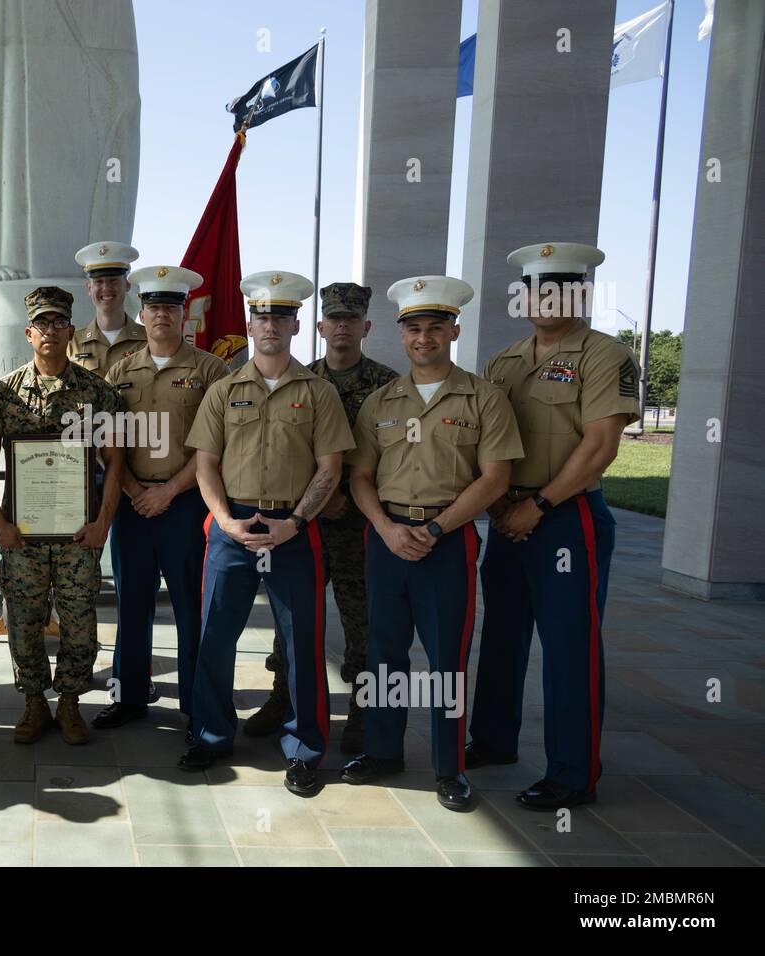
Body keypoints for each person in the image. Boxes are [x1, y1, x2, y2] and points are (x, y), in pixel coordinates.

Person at [340, 275, 523, 812]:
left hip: (448, 543)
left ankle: (449, 767)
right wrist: (387, 528)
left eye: (435, 328)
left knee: (447, 658)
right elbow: (360, 477)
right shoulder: (380, 401)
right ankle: (381, 751)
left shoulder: (483, 397)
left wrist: (438, 529)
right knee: (382, 655)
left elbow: (495, 479)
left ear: (454, 331)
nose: (424, 338)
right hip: (388, 539)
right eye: (414, 328)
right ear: (401, 336)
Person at [467, 242, 638, 810]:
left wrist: (537, 506)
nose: (545, 298)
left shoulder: (604, 355)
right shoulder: (503, 361)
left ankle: (572, 772)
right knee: (502, 637)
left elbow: (600, 447)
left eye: (559, 288)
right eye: (536, 288)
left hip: (566, 519)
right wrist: (498, 507)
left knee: (569, 646)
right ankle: (493, 741)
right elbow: (482, 443)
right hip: (508, 516)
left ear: (582, 293)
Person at [179, 271, 355, 797]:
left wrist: (295, 522)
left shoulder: (319, 392)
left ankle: (304, 749)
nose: (270, 325)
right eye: (262, 315)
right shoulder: (222, 390)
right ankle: (211, 735)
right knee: (214, 636)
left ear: (297, 324)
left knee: (303, 642)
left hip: (295, 530)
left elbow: (331, 468)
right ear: (251, 324)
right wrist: (227, 521)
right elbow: (205, 465)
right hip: (233, 527)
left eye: (281, 315)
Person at [246, 281, 398, 754]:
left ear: (366, 326)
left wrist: (347, 501)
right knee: (291, 618)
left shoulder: (388, 386)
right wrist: (314, 501)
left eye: (351, 320)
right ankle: (282, 698)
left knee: (362, 622)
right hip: (304, 524)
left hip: (359, 526)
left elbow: (392, 459)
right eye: (334, 320)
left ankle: (361, 710)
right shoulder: (301, 379)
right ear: (318, 326)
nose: (342, 328)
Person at [0, 286, 126, 745]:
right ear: (28, 332)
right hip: (22, 535)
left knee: (80, 620)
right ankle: (34, 703)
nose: (50, 331)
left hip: (79, 534)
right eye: (42, 323)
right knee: (23, 620)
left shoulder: (98, 393)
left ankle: (70, 704)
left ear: (70, 330)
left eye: (59, 322)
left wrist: (103, 522)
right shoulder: (0, 395)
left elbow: (115, 462)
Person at [96, 265, 226, 729]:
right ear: (141, 311)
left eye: (170, 307)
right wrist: (133, 489)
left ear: (183, 312)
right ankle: (128, 696)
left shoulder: (212, 370)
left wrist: (169, 491)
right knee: (131, 603)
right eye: (153, 307)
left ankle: (196, 705)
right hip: (132, 505)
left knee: (193, 606)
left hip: (187, 504)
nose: (160, 315)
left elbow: (216, 447)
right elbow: (104, 441)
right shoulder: (119, 372)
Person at [68, 241, 147, 375]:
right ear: (89, 288)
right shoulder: (71, 345)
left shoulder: (149, 341)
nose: (106, 288)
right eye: (99, 281)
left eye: (113, 280)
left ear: (127, 285)